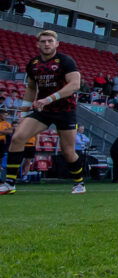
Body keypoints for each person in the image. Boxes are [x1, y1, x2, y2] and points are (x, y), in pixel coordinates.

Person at [1, 30, 86, 195]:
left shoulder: (65, 61)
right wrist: (23, 112)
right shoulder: (33, 64)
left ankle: (79, 183)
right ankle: (10, 183)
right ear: (37, 44)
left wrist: (48, 99)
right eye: (43, 41)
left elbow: (75, 85)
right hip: (43, 110)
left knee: (67, 151)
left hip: (65, 110)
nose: (46, 44)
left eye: (50, 41)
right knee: (18, 137)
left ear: (56, 44)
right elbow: (32, 88)